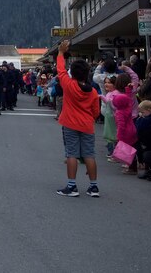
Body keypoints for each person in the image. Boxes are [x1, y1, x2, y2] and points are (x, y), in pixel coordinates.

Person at [54, 40, 101, 197]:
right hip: (87, 125)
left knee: (71, 154)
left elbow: (60, 70)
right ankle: (94, 187)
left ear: (72, 73)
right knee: (89, 154)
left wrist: (61, 52)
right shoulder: (93, 92)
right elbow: (96, 111)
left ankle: (72, 186)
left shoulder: (69, 85)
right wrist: (89, 119)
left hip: (70, 123)